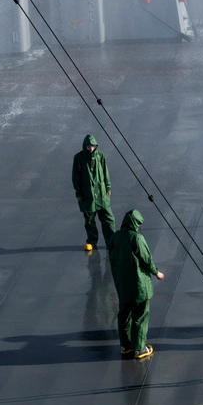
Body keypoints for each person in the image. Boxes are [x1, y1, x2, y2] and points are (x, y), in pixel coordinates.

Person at [106, 209, 163, 359]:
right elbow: (146, 259)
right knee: (141, 315)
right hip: (138, 285)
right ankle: (139, 348)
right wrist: (157, 272)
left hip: (122, 285)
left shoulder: (115, 237)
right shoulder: (137, 238)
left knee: (124, 314)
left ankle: (126, 345)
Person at [72, 134, 115, 252]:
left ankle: (110, 241)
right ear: (84, 146)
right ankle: (91, 241)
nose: (91, 149)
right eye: (88, 147)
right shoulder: (79, 158)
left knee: (108, 218)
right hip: (88, 194)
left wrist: (108, 187)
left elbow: (105, 171)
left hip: (101, 193)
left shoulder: (100, 156)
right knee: (89, 220)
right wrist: (79, 193)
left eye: (92, 146)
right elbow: (76, 177)